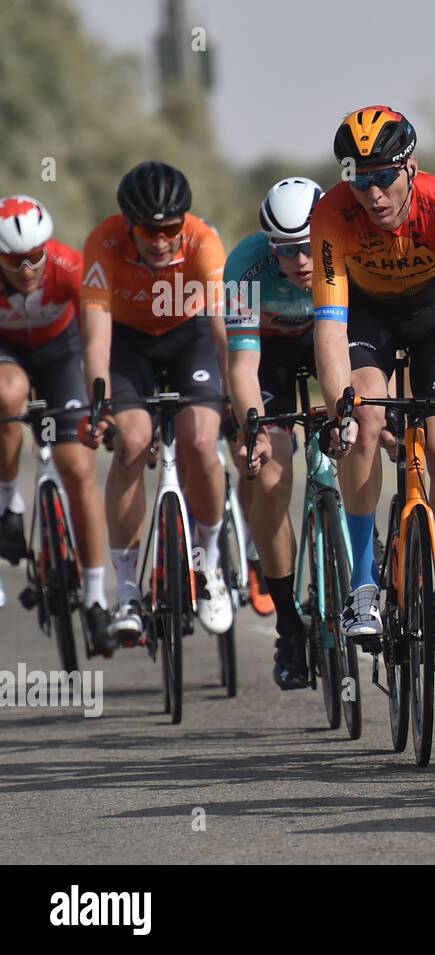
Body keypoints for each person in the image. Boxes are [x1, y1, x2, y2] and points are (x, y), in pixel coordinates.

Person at [313, 105, 435, 685]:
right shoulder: (333, 215)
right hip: (370, 319)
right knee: (361, 421)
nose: (373, 193)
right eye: (359, 179)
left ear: (411, 167)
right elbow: (331, 326)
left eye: (385, 176)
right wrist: (340, 408)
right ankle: (363, 582)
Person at [80, 162, 232, 642]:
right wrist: (99, 403)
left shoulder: (203, 241)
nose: (162, 240)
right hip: (128, 344)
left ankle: (210, 561)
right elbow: (96, 340)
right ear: (129, 224)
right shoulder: (103, 244)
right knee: (131, 441)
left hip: (190, 338)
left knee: (200, 440)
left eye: (171, 228)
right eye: (151, 230)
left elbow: (222, 330)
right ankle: (127, 590)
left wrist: (235, 397)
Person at [0, 195, 111, 648]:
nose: (28, 268)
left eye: (35, 256)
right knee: (7, 394)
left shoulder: (70, 266)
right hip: (8, 355)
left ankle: (96, 596)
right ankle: (10, 504)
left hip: (62, 352)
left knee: (78, 467)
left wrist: (101, 399)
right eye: (13, 260)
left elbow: (96, 340)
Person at [226, 177, 323, 689]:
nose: (302, 260)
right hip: (268, 363)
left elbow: (368, 339)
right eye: (288, 251)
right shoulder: (245, 266)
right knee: (269, 477)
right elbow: (242, 364)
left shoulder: (345, 248)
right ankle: (289, 624)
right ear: (271, 247)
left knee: (362, 429)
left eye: (309, 246)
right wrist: (253, 428)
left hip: (327, 343)